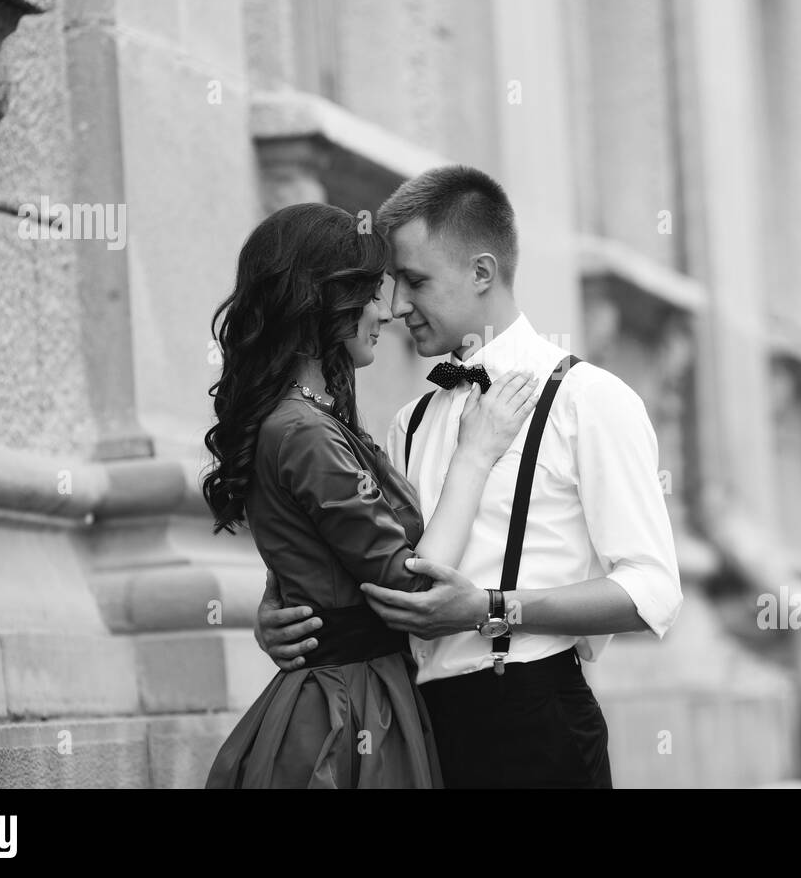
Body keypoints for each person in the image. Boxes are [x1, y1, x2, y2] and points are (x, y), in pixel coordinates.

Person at [256, 167, 684, 788]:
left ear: (482, 272)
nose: (397, 306)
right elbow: (378, 567)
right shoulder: (411, 419)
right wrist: (288, 615)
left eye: (416, 281)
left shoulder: (589, 400)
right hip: (414, 726)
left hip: (531, 721)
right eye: (393, 283)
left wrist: (488, 609)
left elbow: (653, 592)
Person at [201, 201, 539, 788]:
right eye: (371, 290)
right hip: (347, 712)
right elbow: (413, 588)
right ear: (320, 301)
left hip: (362, 694)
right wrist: (474, 456)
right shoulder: (304, 429)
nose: (388, 310)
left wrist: (284, 596)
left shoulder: (314, 419)